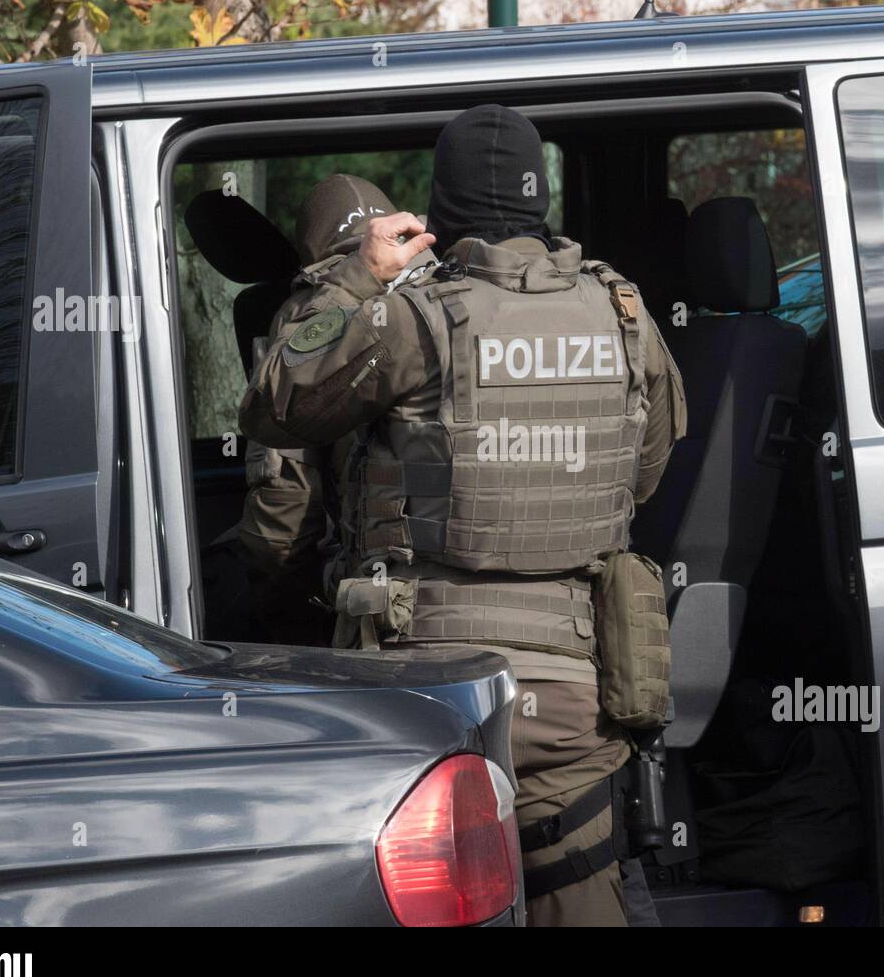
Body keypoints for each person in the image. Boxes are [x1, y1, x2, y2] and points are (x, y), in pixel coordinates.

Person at [239, 105, 686, 926]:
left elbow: (275, 400)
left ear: (435, 218)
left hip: (430, 690)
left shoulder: (414, 317)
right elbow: (645, 471)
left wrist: (355, 277)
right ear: (541, 197)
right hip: (575, 689)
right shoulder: (623, 313)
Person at [237, 174, 432, 643]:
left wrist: (292, 627)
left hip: (381, 613)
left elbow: (282, 516)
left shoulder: (308, 312)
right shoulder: (457, 289)